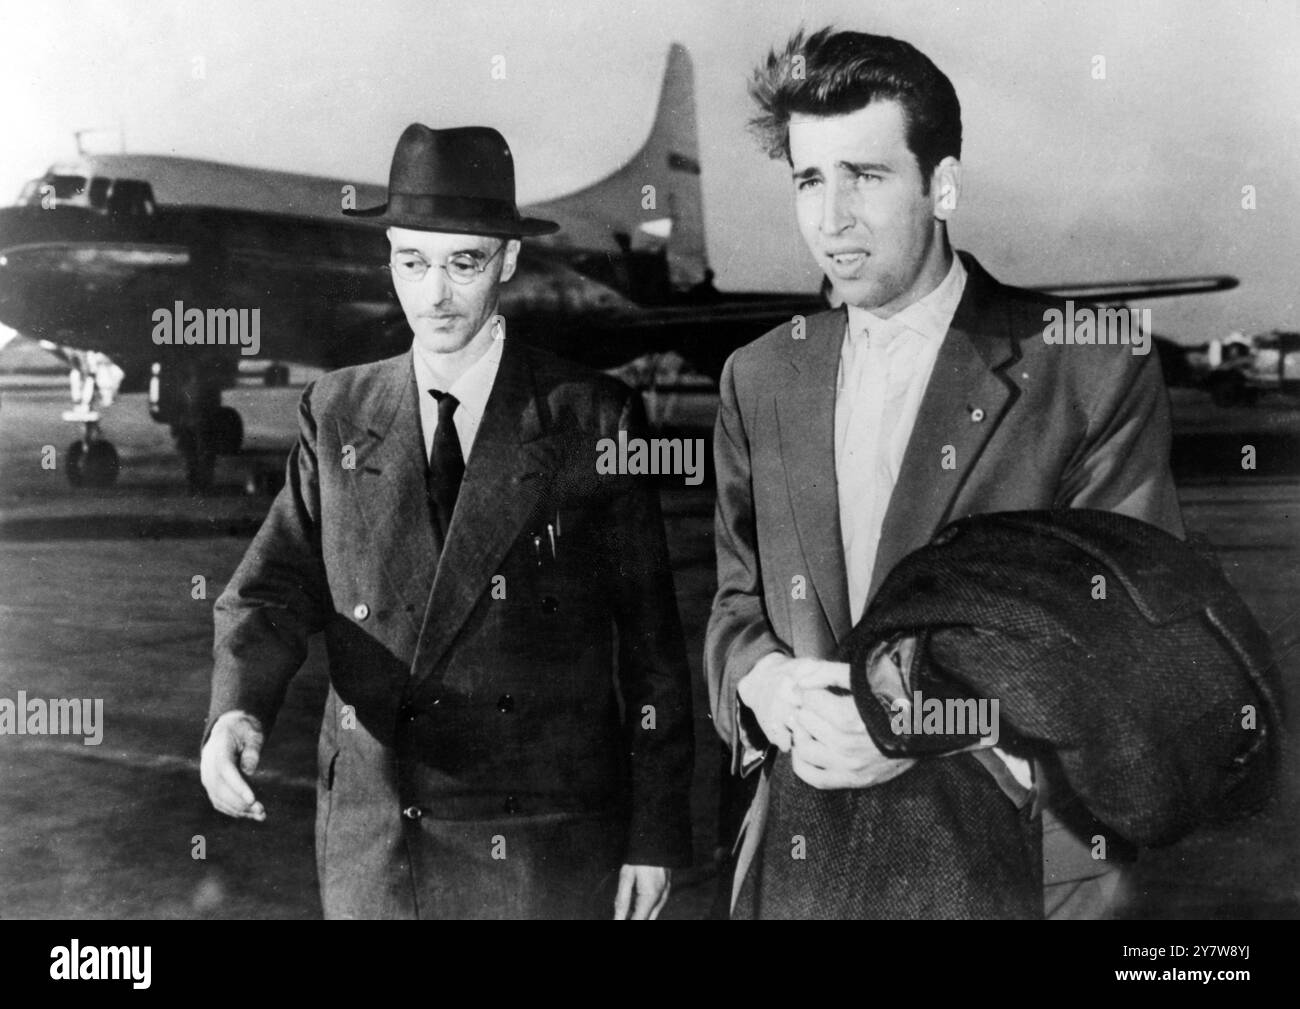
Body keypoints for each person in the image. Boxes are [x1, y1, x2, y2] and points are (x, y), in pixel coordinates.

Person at [706, 27, 1183, 919]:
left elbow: (1132, 644)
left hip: (1014, 864)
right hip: (805, 867)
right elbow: (737, 603)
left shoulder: (1089, 365)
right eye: (810, 179)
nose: (831, 218)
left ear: (944, 184)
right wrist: (759, 680)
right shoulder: (760, 376)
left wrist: (917, 723)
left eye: (867, 176)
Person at [201, 123, 694, 919]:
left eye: (464, 263)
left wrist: (655, 832)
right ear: (389, 257)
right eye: (413, 262)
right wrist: (237, 708)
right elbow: (270, 591)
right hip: (373, 844)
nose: (434, 294)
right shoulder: (336, 411)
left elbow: (653, 653)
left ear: (507, 260)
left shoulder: (593, 418)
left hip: (534, 846)